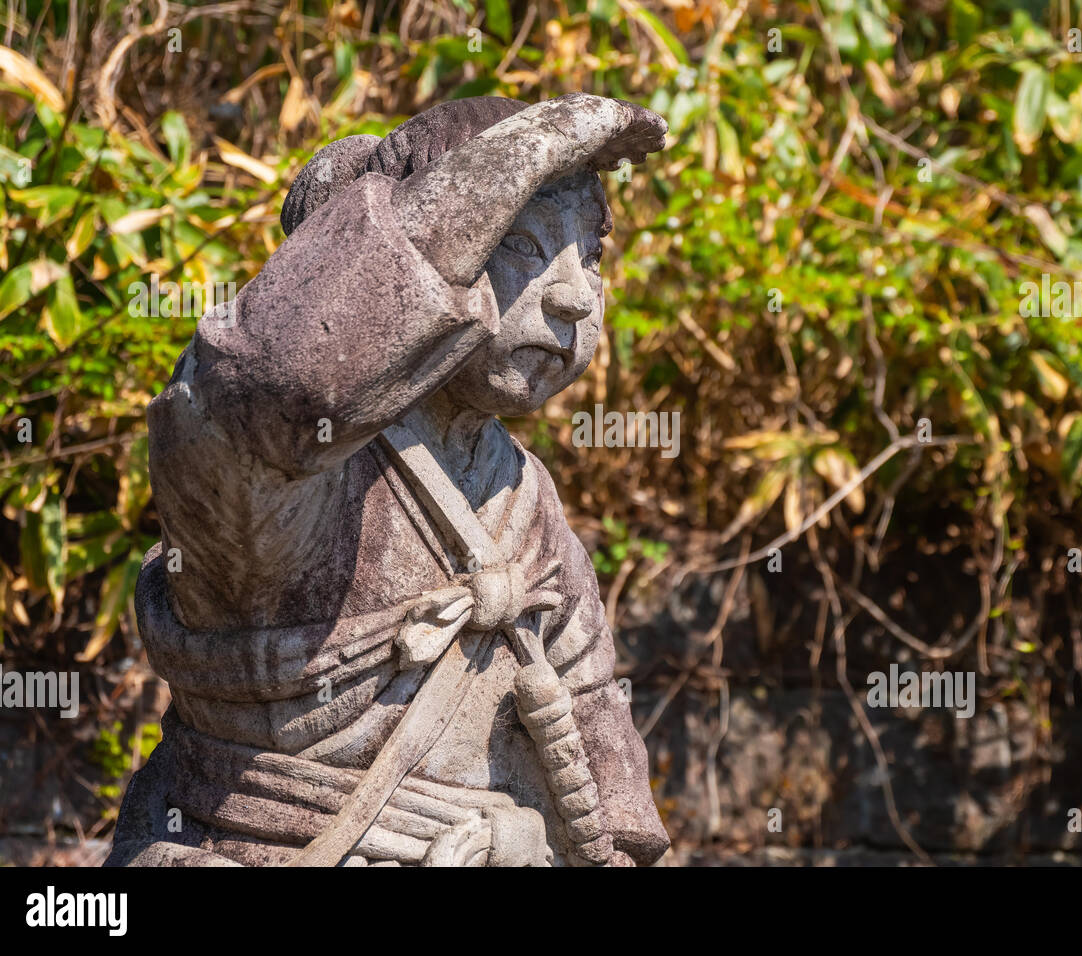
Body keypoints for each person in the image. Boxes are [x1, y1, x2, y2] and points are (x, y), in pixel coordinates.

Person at [105, 94, 671, 867]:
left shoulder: (526, 494)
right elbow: (264, 394)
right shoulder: (302, 472)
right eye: (525, 248)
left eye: (592, 258)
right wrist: (488, 179)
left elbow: (596, 724)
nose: (575, 295)